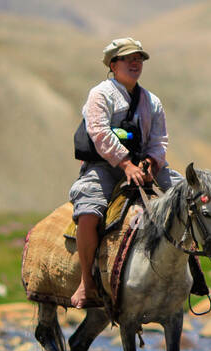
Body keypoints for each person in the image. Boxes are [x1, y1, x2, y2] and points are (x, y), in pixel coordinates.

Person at [68, 37, 185, 309]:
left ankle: (191, 272)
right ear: (113, 64)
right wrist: (125, 164)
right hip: (104, 166)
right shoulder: (101, 94)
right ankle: (86, 280)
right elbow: (98, 131)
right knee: (88, 209)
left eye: (139, 58)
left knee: (188, 196)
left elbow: (159, 140)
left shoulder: (152, 101)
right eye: (128, 58)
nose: (136, 63)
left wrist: (151, 163)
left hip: (145, 166)